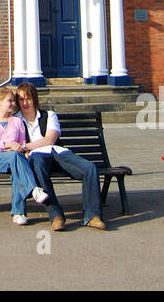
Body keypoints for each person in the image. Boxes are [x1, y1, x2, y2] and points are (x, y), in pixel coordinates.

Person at [14, 82, 106, 231]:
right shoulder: (15, 120)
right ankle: (56, 216)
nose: (25, 103)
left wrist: (25, 146)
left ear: (34, 99)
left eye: (28, 98)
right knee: (38, 167)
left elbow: (50, 140)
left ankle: (92, 216)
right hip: (36, 156)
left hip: (57, 152)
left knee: (89, 168)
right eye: (21, 99)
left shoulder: (49, 115)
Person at [0, 85, 50, 225]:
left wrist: (23, 151)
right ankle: (34, 190)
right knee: (14, 157)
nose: (13, 104)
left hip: (16, 159)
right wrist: (9, 145)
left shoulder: (17, 121)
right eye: (10, 101)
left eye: (13, 101)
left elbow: (22, 143)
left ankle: (19, 214)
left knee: (17, 165)